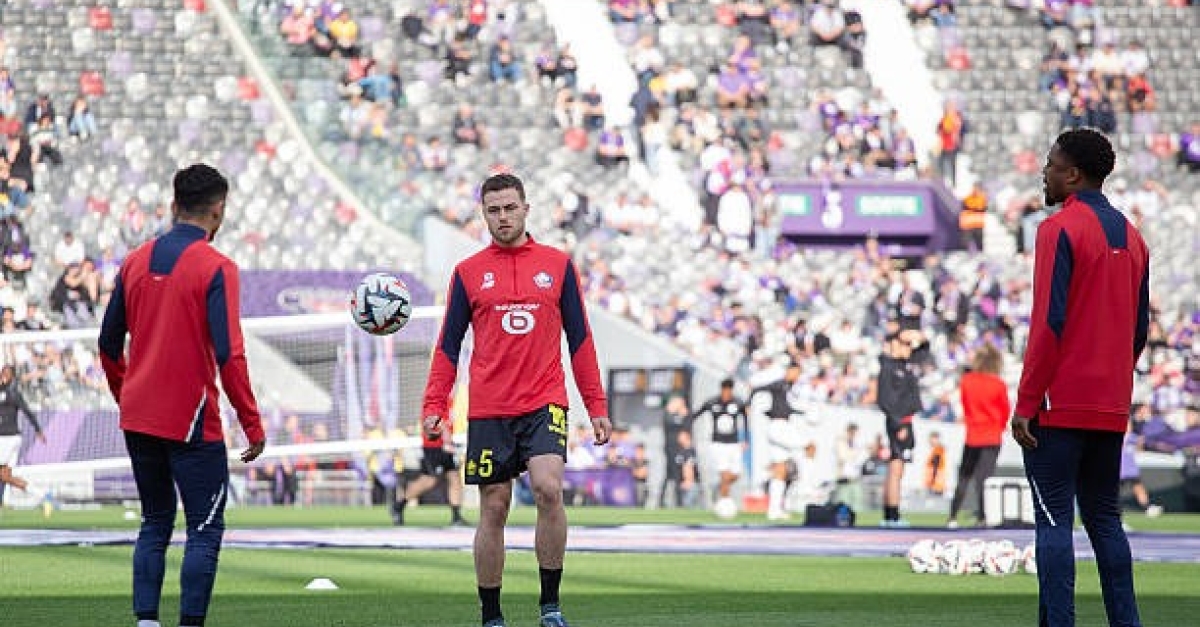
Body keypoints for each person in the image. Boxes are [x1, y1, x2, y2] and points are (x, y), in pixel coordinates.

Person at [420, 173, 611, 627]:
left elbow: (580, 339)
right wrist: (435, 405)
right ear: (483, 214)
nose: (502, 217)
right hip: (489, 406)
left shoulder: (558, 265)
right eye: (493, 210)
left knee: (548, 487)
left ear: (526, 208)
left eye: (510, 208)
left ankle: (550, 606)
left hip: (545, 400)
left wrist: (596, 406)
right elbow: (448, 344)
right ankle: (491, 614)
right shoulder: (467, 273)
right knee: (494, 505)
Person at [98, 164, 266, 627]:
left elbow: (108, 344)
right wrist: (252, 423)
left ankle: (147, 622)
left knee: (154, 522)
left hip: (138, 417)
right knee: (205, 528)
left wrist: (125, 393)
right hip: (190, 419)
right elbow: (231, 355)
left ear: (173, 206)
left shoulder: (133, 261)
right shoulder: (217, 267)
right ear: (219, 209)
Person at [1010, 128, 1150, 627]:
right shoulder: (1133, 236)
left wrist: (1027, 401)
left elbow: (1049, 322)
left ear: (1072, 174)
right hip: (1109, 404)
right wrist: (1111, 378)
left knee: (1053, 523)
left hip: (1059, 403)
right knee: (1106, 523)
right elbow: (1139, 329)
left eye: (1050, 164)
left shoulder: (1058, 228)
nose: (1043, 172)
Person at [948, 343, 1010, 529]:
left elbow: (965, 404)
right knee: (985, 479)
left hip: (973, 435)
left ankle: (952, 515)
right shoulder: (998, 384)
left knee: (964, 477)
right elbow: (1005, 410)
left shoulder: (967, 381)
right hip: (992, 436)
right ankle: (983, 517)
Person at [871, 328, 925, 527]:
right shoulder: (889, 367)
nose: (908, 348)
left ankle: (891, 513)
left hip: (905, 420)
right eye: (904, 344)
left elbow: (924, 350)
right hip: (899, 422)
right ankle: (891, 514)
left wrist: (917, 337)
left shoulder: (904, 365)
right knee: (896, 468)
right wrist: (898, 423)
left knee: (898, 468)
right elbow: (885, 400)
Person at [393, 416, 470, 527]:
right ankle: (399, 505)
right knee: (429, 480)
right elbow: (432, 418)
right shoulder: (435, 400)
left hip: (446, 444)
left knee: (454, 477)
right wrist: (446, 437)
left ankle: (456, 517)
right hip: (435, 445)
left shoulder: (452, 400)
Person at [692, 377, 749, 517]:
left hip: (734, 443)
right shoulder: (712, 402)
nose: (726, 393)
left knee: (735, 473)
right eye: (725, 390)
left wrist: (745, 439)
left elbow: (746, 420)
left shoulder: (738, 402)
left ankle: (721, 490)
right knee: (724, 473)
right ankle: (724, 502)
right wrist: (686, 430)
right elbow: (695, 415)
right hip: (718, 443)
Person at [0, 364, 45, 497]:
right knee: (5, 476)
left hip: (6, 438)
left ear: (11, 376)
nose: (3, 375)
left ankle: (41, 494)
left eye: (6, 373)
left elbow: (27, 411)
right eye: (2, 372)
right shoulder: (11, 391)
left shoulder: (10, 392)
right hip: (13, 438)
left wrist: (38, 429)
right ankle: (43, 495)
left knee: (3, 476)